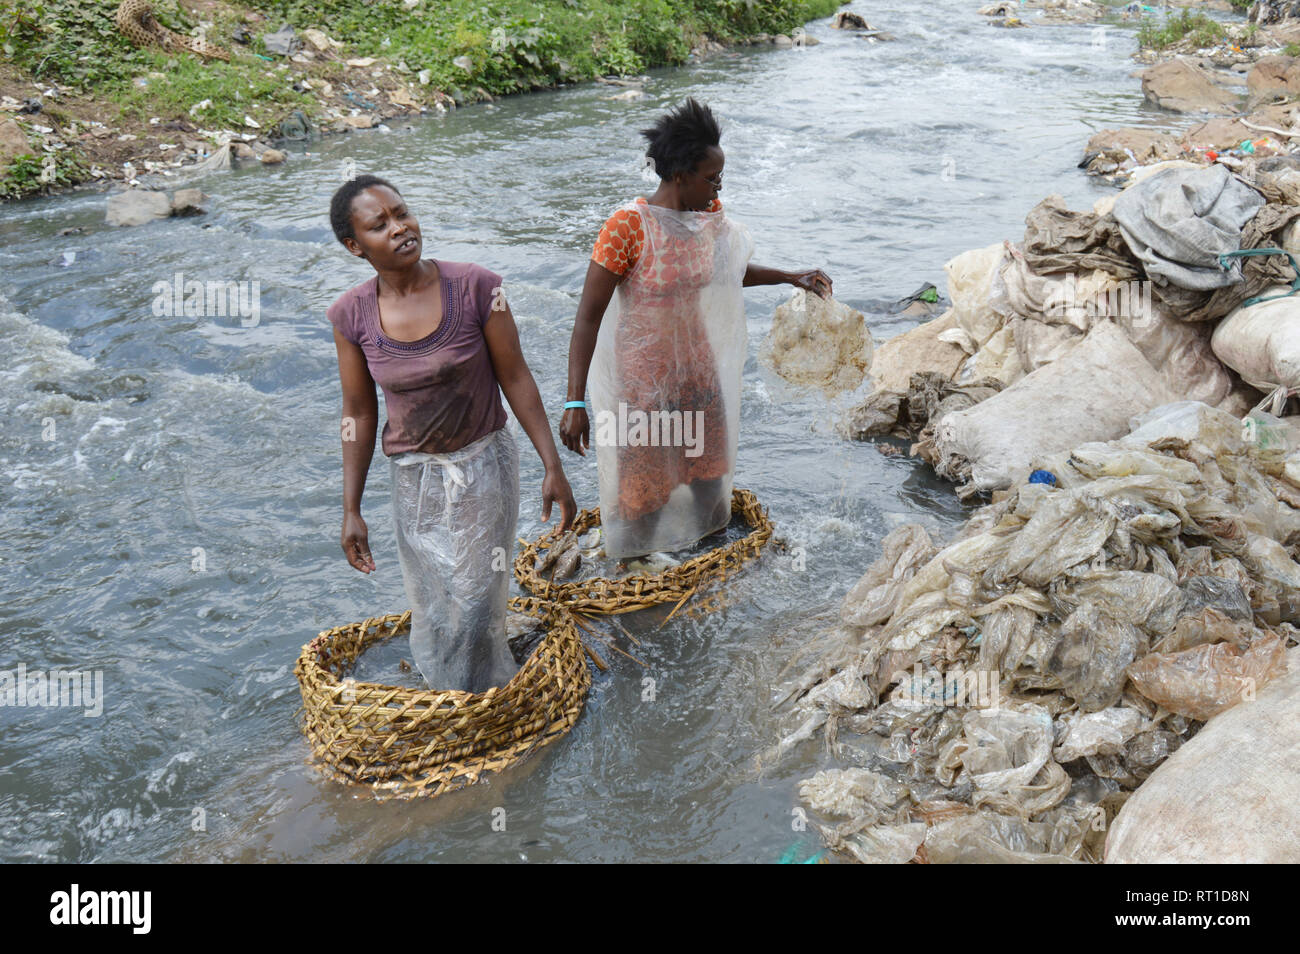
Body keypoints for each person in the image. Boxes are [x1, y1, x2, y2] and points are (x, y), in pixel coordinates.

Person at [326, 174, 575, 693]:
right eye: (380, 225)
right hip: (414, 480)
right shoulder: (350, 315)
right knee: (436, 598)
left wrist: (552, 465)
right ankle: (455, 690)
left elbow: (516, 376)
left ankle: (469, 703)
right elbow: (358, 411)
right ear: (355, 247)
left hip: (484, 464)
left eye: (402, 213)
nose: (400, 228)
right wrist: (351, 508)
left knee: (476, 591)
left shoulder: (479, 287)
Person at [560, 97, 833, 560]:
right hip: (644, 382)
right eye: (711, 177)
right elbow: (587, 318)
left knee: (709, 478)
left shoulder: (708, 217)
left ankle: (705, 568)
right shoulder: (627, 228)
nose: (718, 186)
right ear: (680, 174)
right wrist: (574, 401)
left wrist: (790, 276)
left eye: (720, 177)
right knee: (644, 495)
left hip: (698, 371)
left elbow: (726, 271)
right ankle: (641, 583)